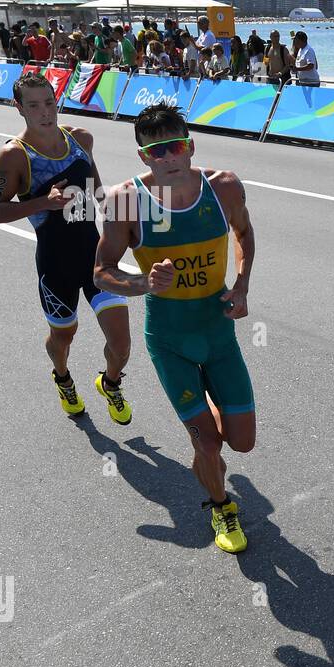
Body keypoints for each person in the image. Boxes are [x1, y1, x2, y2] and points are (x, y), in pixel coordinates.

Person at [94, 104, 258, 554]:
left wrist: (241, 285)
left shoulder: (223, 187)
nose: (169, 157)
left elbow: (244, 235)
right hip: (169, 339)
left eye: (177, 146)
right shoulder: (125, 200)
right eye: (157, 150)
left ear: (190, 146)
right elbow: (102, 271)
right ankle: (220, 504)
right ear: (143, 156)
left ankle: (206, 441)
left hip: (217, 330)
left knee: (240, 443)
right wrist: (142, 283)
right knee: (208, 440)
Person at [0, 72, 133, 424]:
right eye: (34, 106)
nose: (45, 112)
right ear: (18, 107)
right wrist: (43, 203)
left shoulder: (80, 138)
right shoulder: (14, 156)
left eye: (49, 102)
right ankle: (63, 377)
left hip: (96, 258)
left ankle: (109, 383)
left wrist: (130, 220)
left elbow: (98, 193)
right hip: (55, 266)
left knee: (122, 344)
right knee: (63, 338)